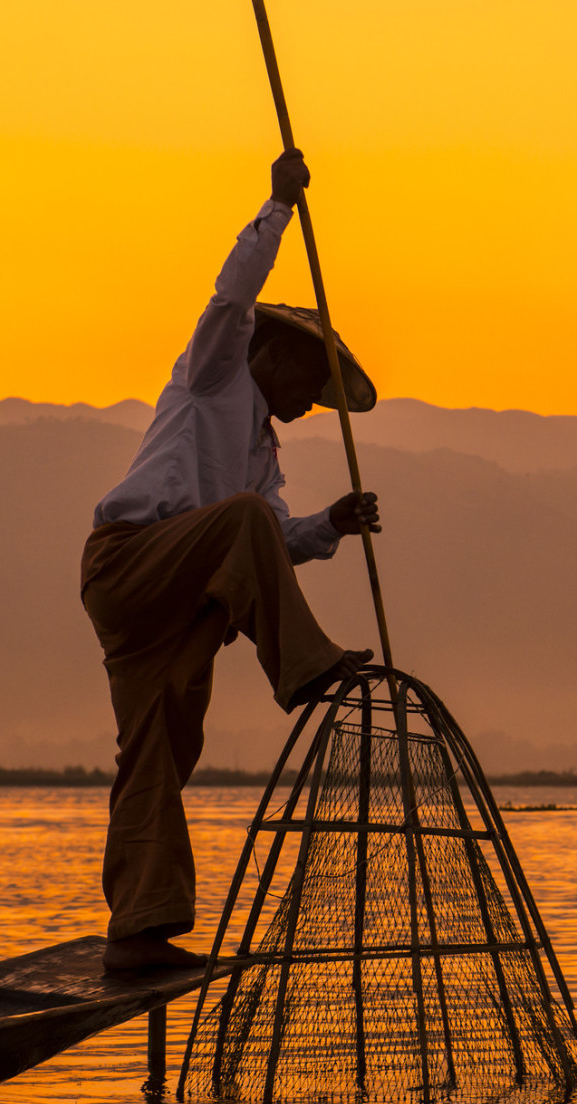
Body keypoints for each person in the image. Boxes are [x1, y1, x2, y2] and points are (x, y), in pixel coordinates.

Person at [81, 149, 380, 972]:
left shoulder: (261, 459)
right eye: (308, 384)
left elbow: (271, 543)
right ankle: (303, 668)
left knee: (158, 752)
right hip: (130, 565)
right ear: (272, 356)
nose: (309, 405)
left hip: (179, 606)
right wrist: (277, 205)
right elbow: (231, 295)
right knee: (243, 521)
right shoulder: (216, 374)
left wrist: (331, 524)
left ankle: (138, 928)